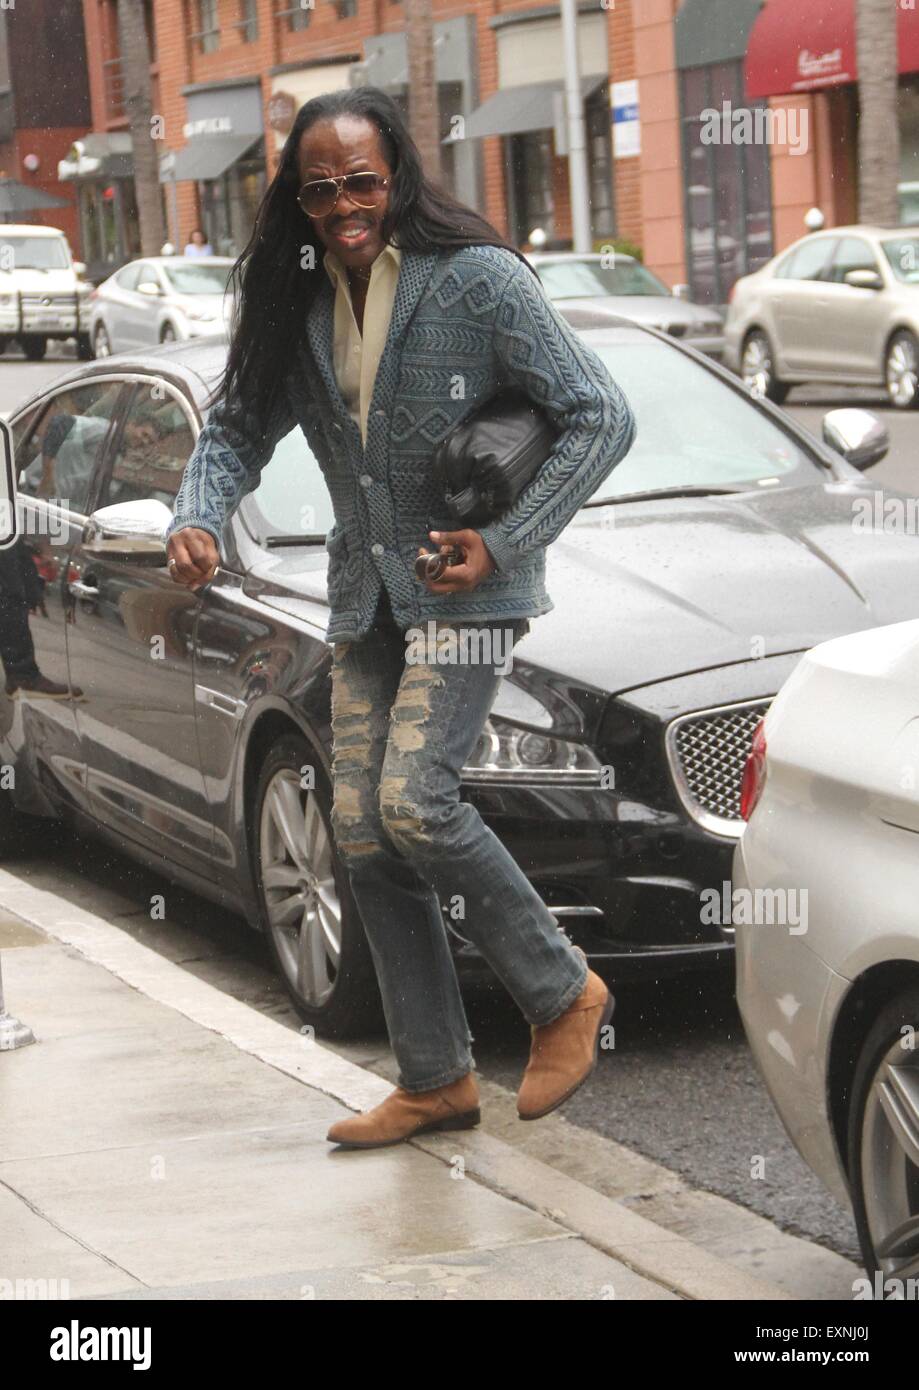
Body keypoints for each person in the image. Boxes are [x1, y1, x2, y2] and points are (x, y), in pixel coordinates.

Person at [164, 86, 636, 1150]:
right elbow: (237, 423)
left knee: (417, 802)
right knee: (367, 832)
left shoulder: (475, 280)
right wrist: (196, 511)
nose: (343, 205)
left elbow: (602, 416)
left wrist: (507, 542)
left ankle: (562, 994)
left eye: (362, 182)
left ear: (399, 177)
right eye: (320, 187)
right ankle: (434, 1076)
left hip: (471, 590)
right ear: (298, 194)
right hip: (365, 595)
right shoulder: (295, 295)